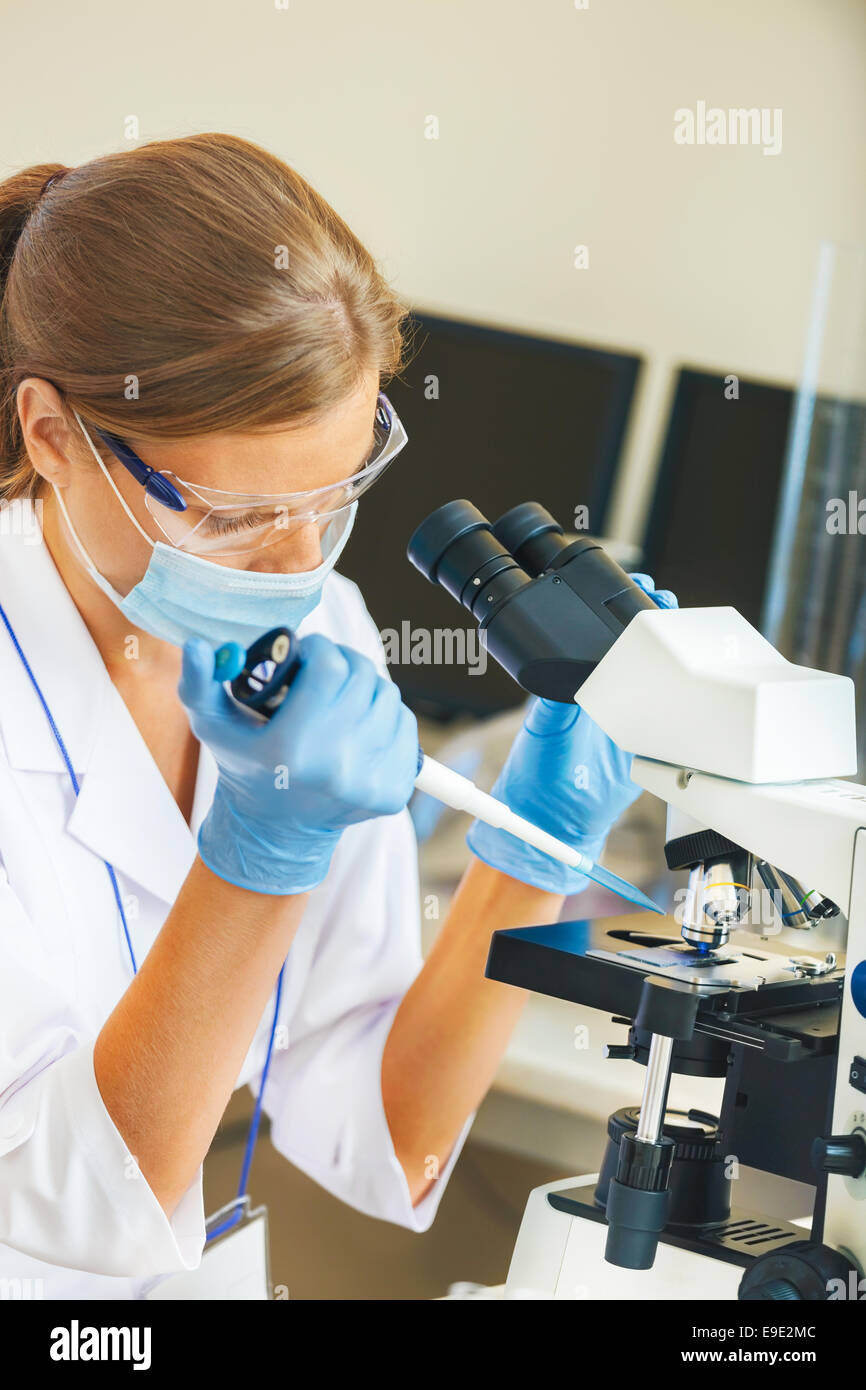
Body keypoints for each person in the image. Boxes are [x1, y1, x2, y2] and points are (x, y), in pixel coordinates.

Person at [0, 132, 675, 1298]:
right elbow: (73, 1199)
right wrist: (259, 860)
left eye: (335, 495)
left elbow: (383, 1136)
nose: (296, 567)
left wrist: (526, 855)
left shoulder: (323, 626)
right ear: (54, 436)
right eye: (231, 513)